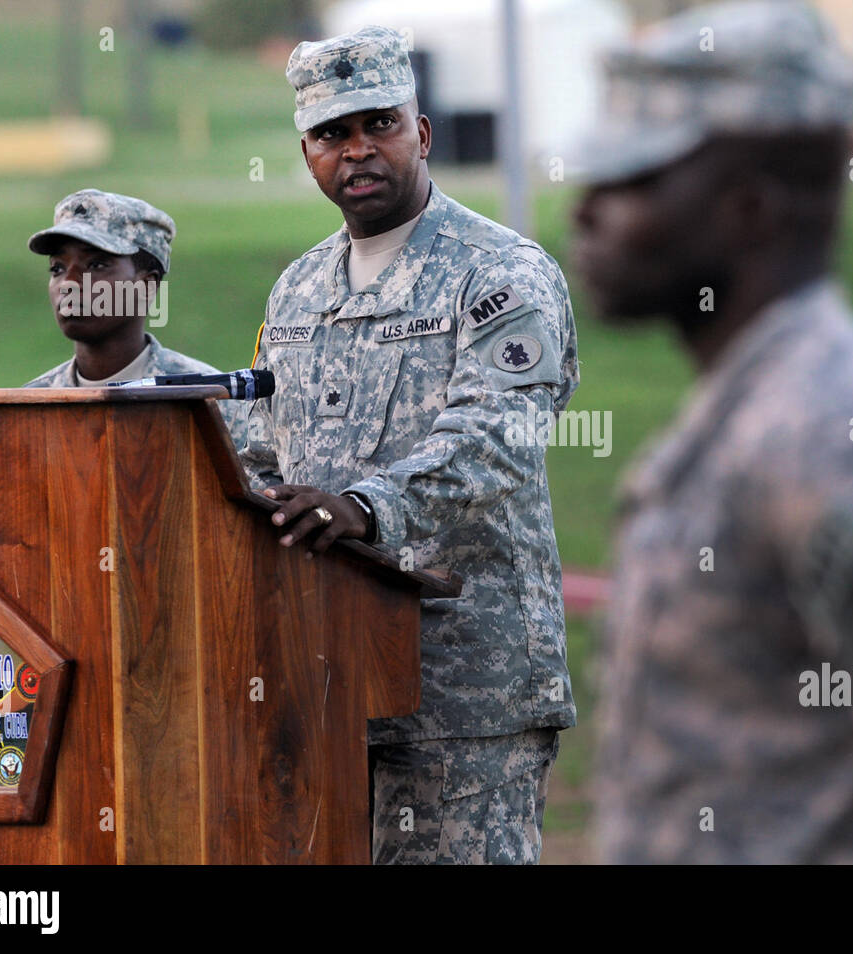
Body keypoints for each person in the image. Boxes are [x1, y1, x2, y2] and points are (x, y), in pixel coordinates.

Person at [569, 0, 853, 864]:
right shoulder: (751, 404)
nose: (587, 211)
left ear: (750, 210)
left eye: (632, 181)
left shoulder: (842, 430)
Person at [239, 26, 579, 864]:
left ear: (421, 133)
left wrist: (364, 507)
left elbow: (500, 437)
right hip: (325, 684)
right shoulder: (298, 291)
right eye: (331, 135)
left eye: (378, 125)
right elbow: (256, 456)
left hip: (465, 693)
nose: (357, 151)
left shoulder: (500, 272)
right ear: (308, 153)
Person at [25, 189, 248, 449]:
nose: (69, 283)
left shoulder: (212, 405)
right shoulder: (29, 407)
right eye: (57, 268)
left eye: (96, 265)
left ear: (146, 286)